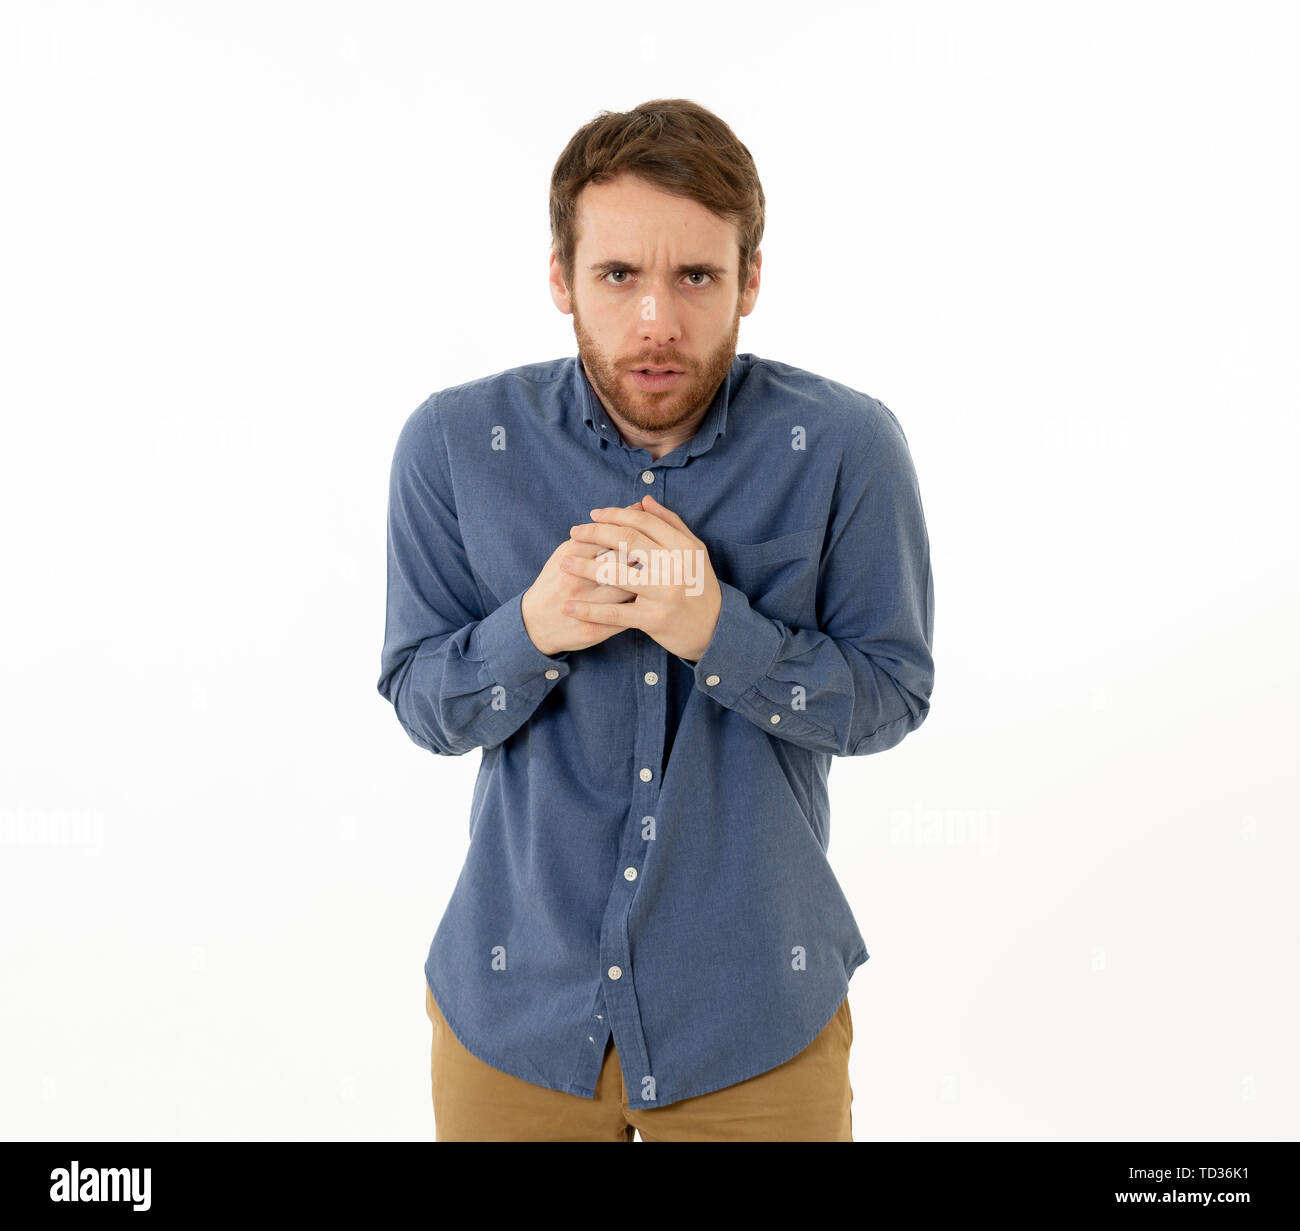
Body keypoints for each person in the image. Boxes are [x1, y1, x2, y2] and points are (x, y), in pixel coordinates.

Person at [377, 98, 935, 1141]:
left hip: (756, 1021)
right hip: (515, 1016)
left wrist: (721, 631)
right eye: (619, 275)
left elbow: (891, 696)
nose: (656, 323)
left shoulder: (848, 446)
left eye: (697, 277)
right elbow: (423, 701)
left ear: (750, 281)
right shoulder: (453, 445)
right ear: (561, 279)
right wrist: (532, 627)